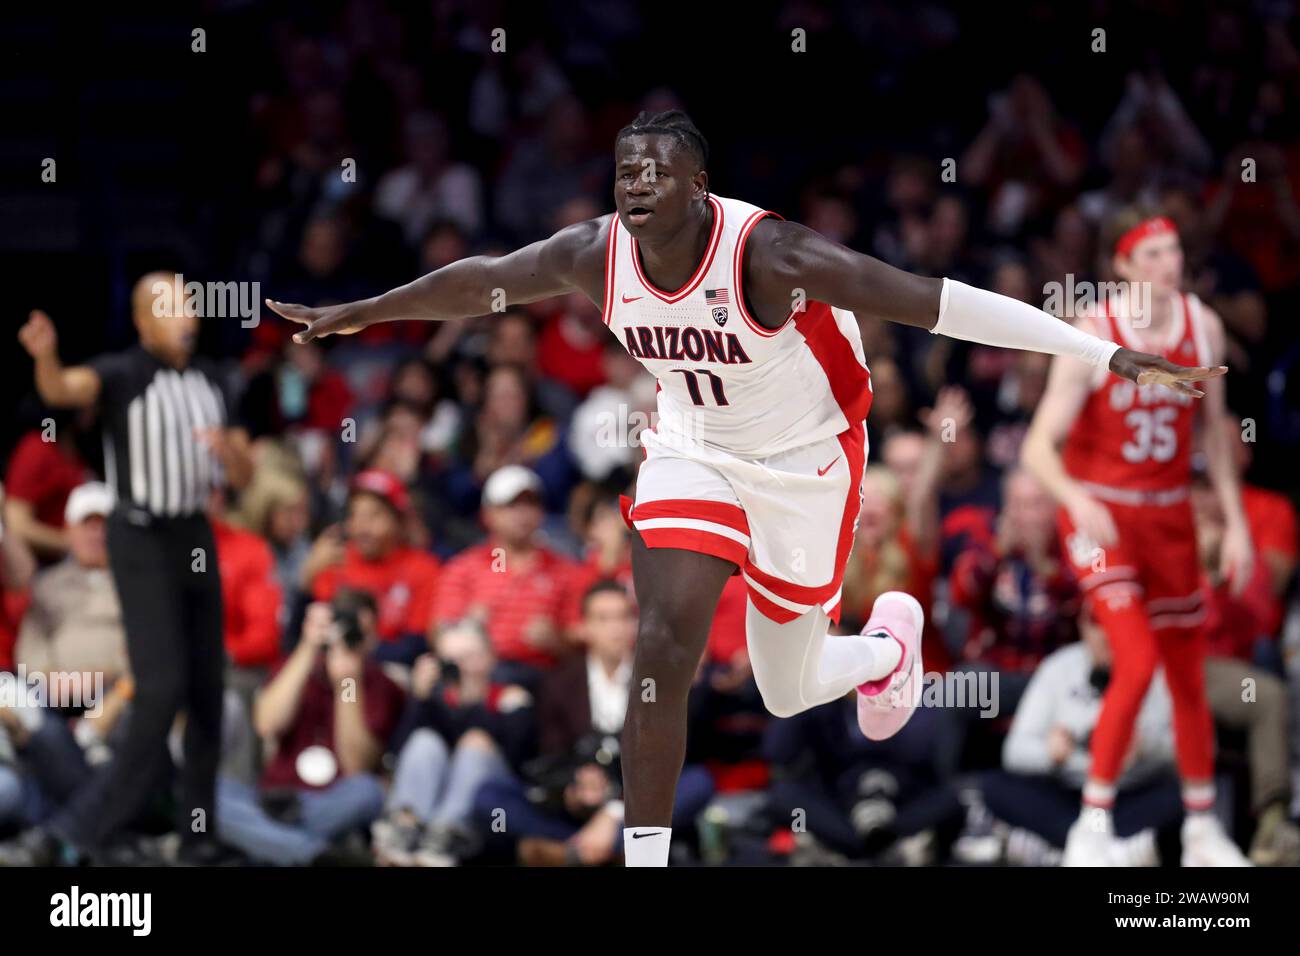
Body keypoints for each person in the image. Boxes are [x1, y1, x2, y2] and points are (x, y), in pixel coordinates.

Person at [269, 110, 1222, 866]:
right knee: (662, 636)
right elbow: (481, 281)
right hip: (693, 445)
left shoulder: (774, 256)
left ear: (698, 186)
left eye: (655, 174)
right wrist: (361, 314)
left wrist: (1110, 356)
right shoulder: (595, 253)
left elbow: (941, 303)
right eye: (623, 173)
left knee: (785, 687)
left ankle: (886, 649)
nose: (634, 187)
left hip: (810, 455)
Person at [1021, 206, 1253, 866]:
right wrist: (1073, 495)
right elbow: (1039, 447)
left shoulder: (1202, 326)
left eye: (1174, 251)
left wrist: (1233, 524)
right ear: (1121, 265)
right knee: (1137, 658)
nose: (1168, 264)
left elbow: (1214, 431)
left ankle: (1204, 827)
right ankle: (1091, 826)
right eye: (1151, 255)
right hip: (1101, 515)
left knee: (1186, 673)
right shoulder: (1095, 331)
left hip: (1170, 515)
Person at [17, 273, 252, 865]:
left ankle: (198, 836)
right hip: (140, 534)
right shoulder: (124, 373)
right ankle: (79, 826)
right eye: (170, 307)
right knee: (161, 687)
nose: (186, 316)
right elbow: (63, 390)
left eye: (190, 305)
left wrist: (229, 453)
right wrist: (46, 357)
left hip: (194, 530)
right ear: (143, 321)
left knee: (206, 689)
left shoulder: (214, 379)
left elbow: (243, 478)